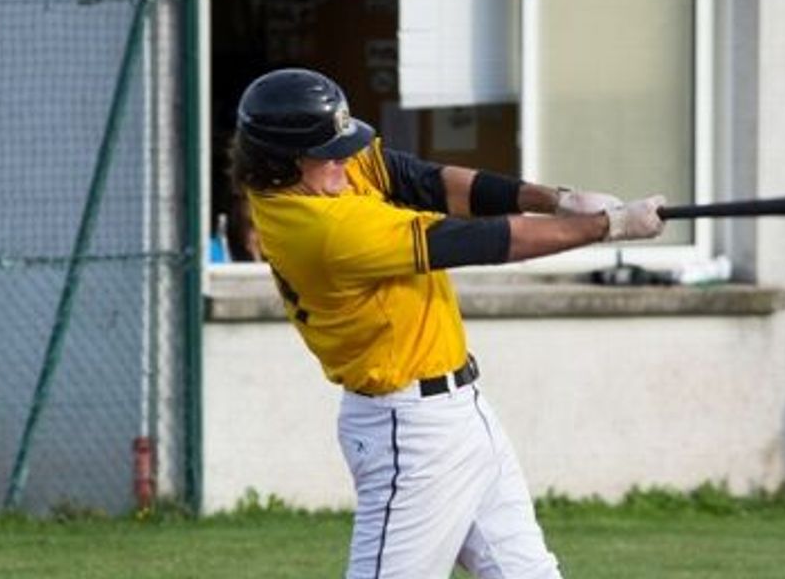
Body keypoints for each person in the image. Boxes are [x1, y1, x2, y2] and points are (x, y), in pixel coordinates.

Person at [231, 67, 666, 578]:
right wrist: (604, 227)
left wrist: (555, 199)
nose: (347, 161)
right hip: (410, 432)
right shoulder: (322, 229)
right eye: (329, 153)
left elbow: (423, 181)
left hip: (464, 412)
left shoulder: (328, 179)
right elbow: (478, 242)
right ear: (282, 163)